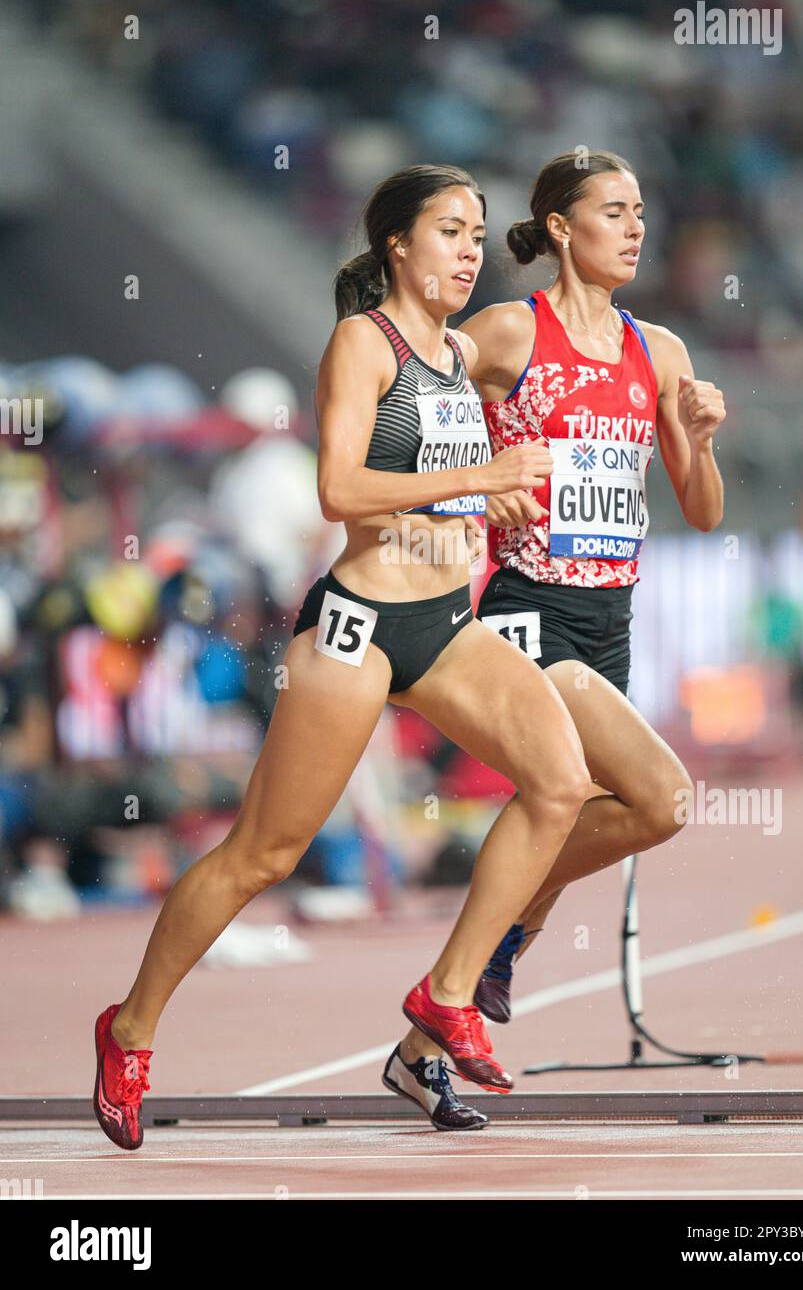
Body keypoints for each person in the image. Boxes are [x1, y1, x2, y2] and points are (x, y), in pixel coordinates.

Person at [93, 164, 596, 1148]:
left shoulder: (458, 352)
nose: (466, 251)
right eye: (447, 231)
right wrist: (478, 472)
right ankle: (130, 1025)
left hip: (445, 625)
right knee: (263, 852)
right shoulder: (360, 345)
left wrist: (486, 497)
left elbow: (442, 481)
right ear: (396, 247)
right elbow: (338, 490)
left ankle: (445, 996)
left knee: (559, 782)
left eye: (476, 233)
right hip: (358, 627)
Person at [386, 150, 727, 1125]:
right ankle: (476, 962)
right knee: (660, 798)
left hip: (607, 618)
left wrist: (696, 440)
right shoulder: (505, 332)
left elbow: (700, 511)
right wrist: (447, 490)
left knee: (589, 808)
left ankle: (426, 1040)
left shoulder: (657, 351)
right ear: (561, 227)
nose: (634, 229)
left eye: (639, 213)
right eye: (613, 212)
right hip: (526, 607)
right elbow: (404, 381)